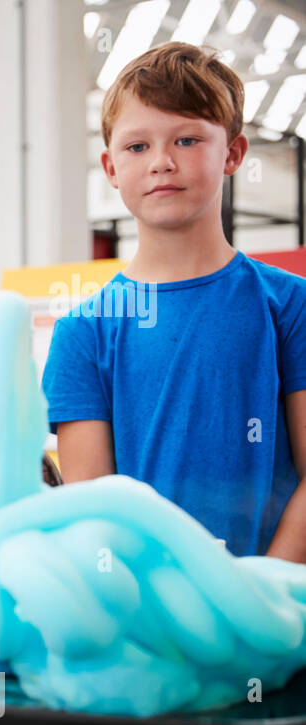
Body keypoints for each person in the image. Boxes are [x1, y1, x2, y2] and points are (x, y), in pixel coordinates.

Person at [44, 42, 306, 560]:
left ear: (232, 153)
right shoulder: (84, 332)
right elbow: (94, 512)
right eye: (137, 147)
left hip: (273, 617)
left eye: (186, 140)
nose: (162, 162)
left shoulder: (289, 306)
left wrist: (260, 593)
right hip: (143, 621)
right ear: (111, 167)